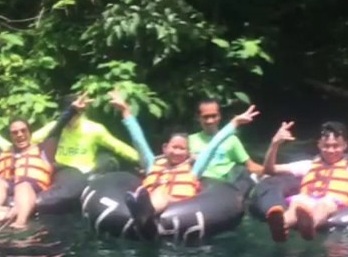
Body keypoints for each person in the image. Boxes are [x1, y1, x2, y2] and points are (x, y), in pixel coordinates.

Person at [110, 91, 259, 232]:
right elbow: (139, 141)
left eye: (182, 149)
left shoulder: (194, 170)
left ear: (188, 153)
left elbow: (214, 144)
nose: (177, 152)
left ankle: (144, 213)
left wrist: (235, 122)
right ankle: (142, 210)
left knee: (161, 194)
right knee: (153, 192)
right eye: (174, 147)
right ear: (165, 148)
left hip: (179, 207)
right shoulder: (152, 164)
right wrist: (125, 111)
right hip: (150, 199)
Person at [0, 85, 78, 229]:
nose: (19, 135)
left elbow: (56, 130)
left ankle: (20, 224)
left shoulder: (43, 151)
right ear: (10, 136)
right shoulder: (3, 154)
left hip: (31, 187)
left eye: (23, 131)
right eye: (15, 132)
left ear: (29, 133)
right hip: (6, 186)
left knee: (23, 185)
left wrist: (71, 110)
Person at [261, 121, 348, 241]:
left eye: (336, 146)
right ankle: (281, 225)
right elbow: (270, 170)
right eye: (326, 146)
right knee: (297, 203)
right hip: (307, 201)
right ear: (319, 145)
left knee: (324, 204)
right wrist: (274, 144)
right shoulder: (308, 165)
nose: (331, 150)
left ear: (345, 146)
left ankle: (310, 226)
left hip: (333, 202)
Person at [31, 94, 141, 173]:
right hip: (59, 171)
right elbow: (31, 141)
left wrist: (142, 159)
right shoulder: (55, 127)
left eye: (77, 114)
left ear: (82, 113)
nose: (73, 119)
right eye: (71, 114)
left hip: (85, 173)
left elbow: (118, 146)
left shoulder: (94, 129)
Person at [189, 99, 264, 182]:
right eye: (205, 117)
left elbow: (251, 166)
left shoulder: (232, 140)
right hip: (198, 183)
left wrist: (272, 171)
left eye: (214, 116)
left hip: (224, 184)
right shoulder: (189, 141)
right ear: (198, 118)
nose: (210, 121)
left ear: (220, 116)